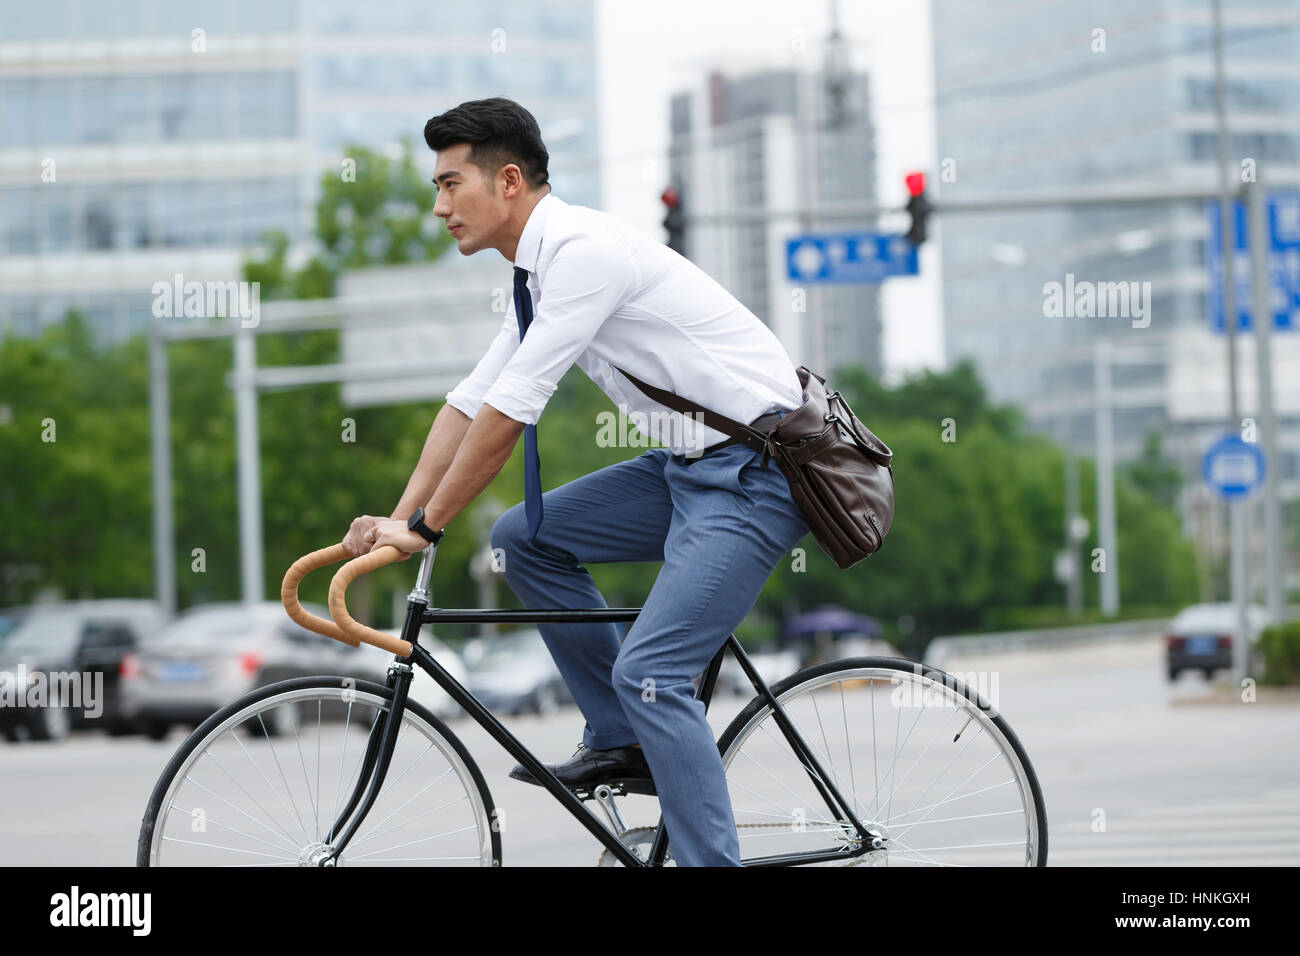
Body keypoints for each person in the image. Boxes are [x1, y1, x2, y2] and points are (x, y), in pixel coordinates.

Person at [342, 97, 808, 866]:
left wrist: (427, 528)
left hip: (757, 474)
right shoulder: (536, 277)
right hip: (689, 469)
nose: (438, 207)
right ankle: (624, 739)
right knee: (522, 537)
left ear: (511, 181)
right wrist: (401, 520)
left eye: (451, 185)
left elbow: (511, 413)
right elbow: (469, 403)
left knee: (654, 673)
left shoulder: (585, 253)